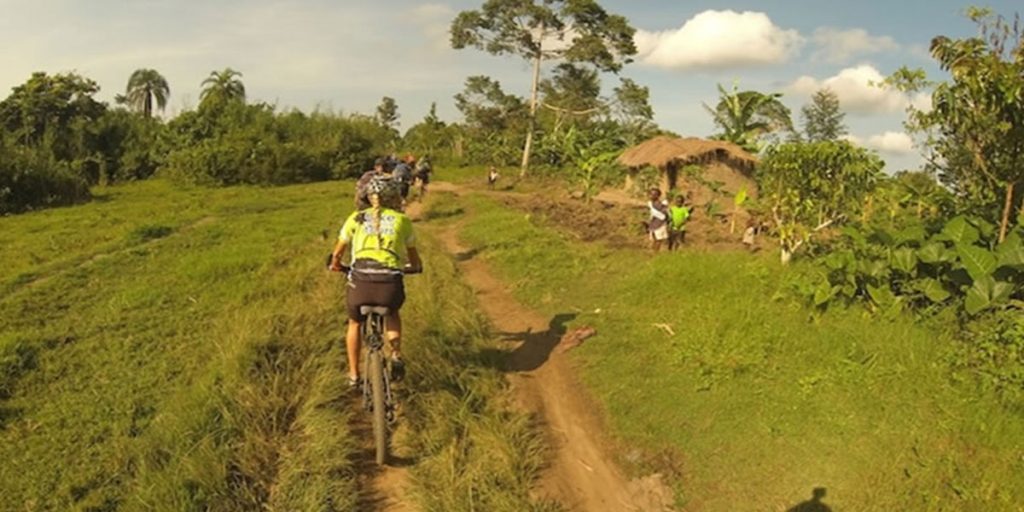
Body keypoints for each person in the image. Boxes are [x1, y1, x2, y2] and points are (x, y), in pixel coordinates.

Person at [330, 175, 422, 388]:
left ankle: (354, 375)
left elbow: (337, 254)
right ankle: (396, 355)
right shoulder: (402, 220)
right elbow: (414, 260)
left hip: (360, 284)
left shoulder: (356, 218)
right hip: (389, 285)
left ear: (367, 197)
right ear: (393, 197)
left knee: (354, 323)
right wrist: (414, 267)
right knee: (392, 312)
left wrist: (336, 264)